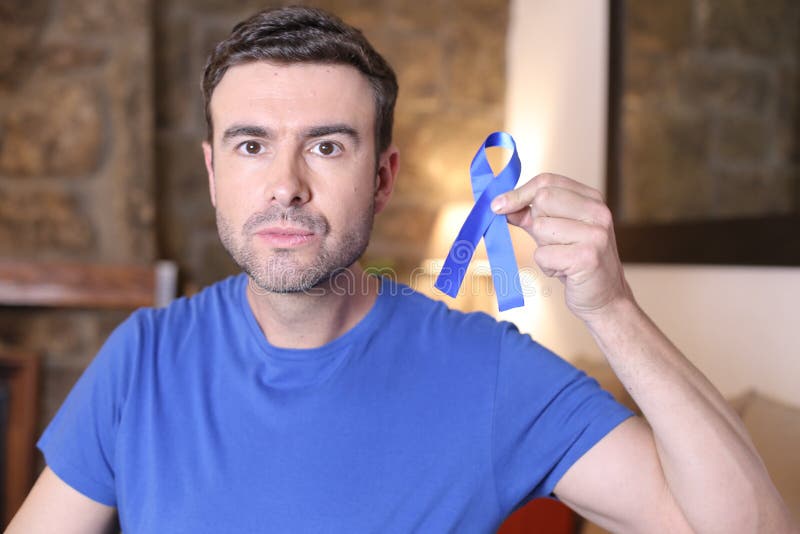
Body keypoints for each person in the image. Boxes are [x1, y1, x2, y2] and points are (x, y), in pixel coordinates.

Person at [8, 6, 796, 533]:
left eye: (326, 145)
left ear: (382, 178)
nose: (286, 183)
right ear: (215, 173)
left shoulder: (488, 372)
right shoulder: (142, 358)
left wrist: (613, 307)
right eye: (252, 145)